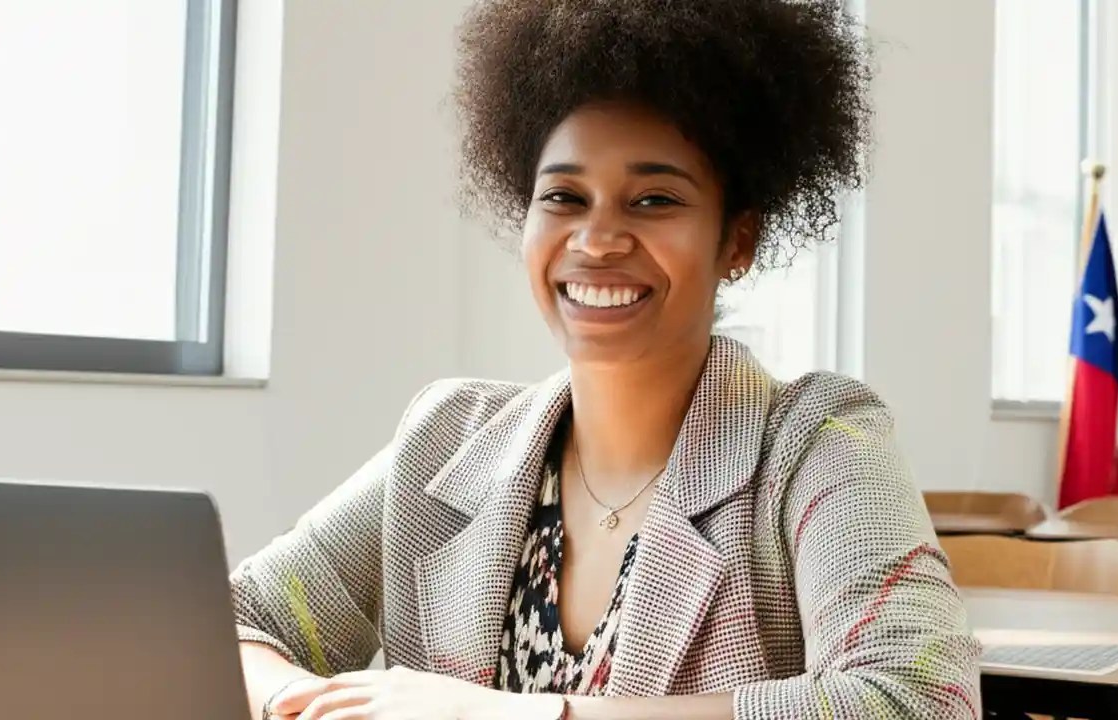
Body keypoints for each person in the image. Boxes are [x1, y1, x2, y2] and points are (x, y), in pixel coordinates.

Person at [231, 0, 982, 717]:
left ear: (738, 241)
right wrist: (300, 703)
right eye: (563, 198)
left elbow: (916, 701)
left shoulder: (816, 442)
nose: (596, 240)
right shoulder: (447, 436)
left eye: (654, 200)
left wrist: (529, 714)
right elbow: (234, 617)